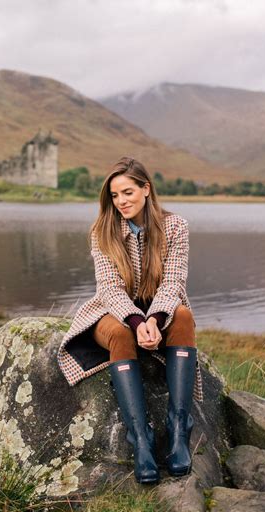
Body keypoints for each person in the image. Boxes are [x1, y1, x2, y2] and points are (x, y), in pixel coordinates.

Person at [57, 157, 203, 485]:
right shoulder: (102, 231)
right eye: (114, 195)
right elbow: (109, 289)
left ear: (146, 189)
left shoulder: (175, 226)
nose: (121, 201)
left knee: (182, 316)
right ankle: (141, 439)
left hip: (160, 308)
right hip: (111, 312)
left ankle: (179, 429)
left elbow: (174, 281)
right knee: (121, 335)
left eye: (128, 192)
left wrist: (156, 319)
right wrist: (138, 323)